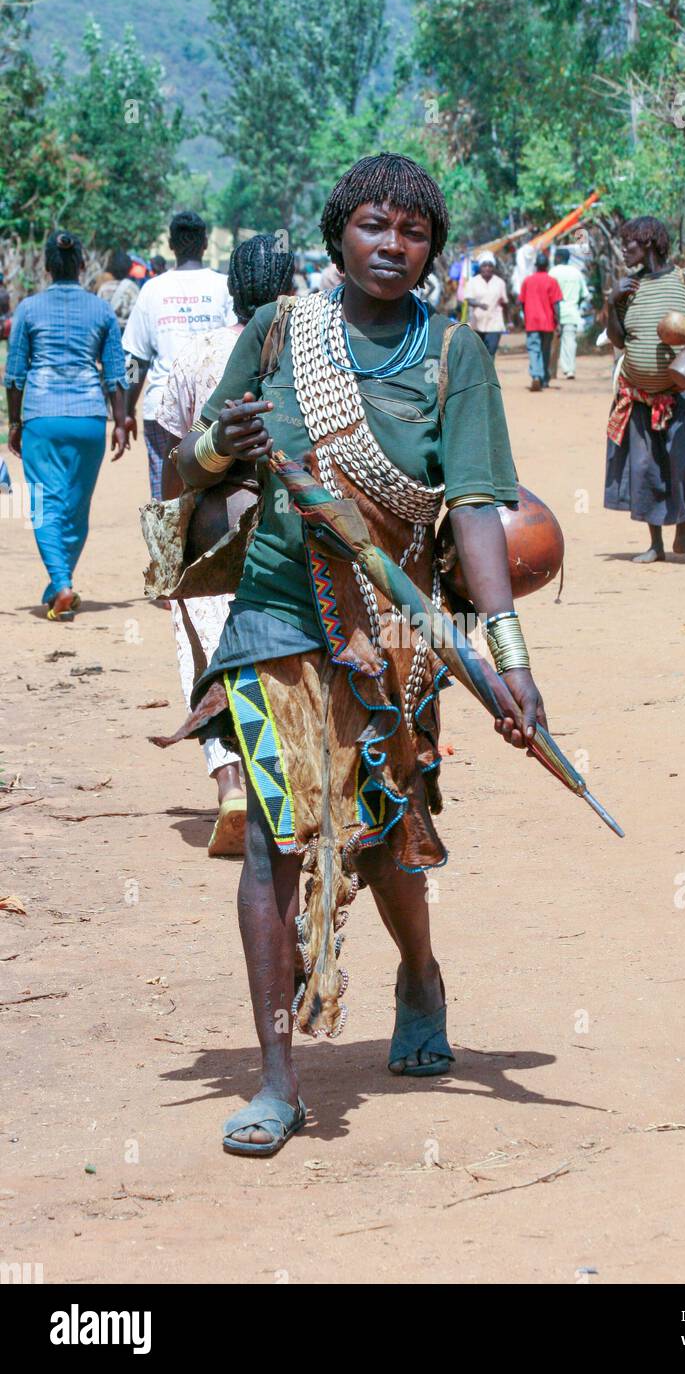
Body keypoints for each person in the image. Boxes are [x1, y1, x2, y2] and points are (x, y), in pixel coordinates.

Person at [164, 153, 547, 1156]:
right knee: (270, 838)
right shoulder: (280, 331)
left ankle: (417, 971)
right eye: (373, 225)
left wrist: (509, 657)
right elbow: (182, 467)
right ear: (338, 231)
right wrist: (220, 446)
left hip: (389, 633)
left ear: (432, 247)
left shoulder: (453, 354)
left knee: (385, 831)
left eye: (413, 231)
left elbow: (471, 506)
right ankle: (277, 1079)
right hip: (276, 612)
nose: (392, 245)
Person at [156, 234, 294, 858]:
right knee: (285, 644)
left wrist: (170, 534)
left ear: (231, 288)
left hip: (214, 519)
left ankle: (232, 784)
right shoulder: (312, 351)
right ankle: (288, 781)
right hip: (294, 520)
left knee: (209, 642)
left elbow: (174, 454)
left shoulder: (195, 352)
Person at [3, 231, 128, 619]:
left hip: (42, 414)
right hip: (89, 417)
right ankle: (60, 584)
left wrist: (14, 421)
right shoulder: (101, 310)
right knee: (75, 507)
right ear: (81, 265)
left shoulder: (28, 309)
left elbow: (15, 374)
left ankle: (60, 584)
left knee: (44, 504)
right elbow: (115, 372)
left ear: (45, 266)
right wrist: (121, 421)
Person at [604, 215, 685, 563]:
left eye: (630, 243)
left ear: (649, 242)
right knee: (647, 469)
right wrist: (612, 303)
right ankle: (655, 544)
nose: (624, 249)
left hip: (680, 394)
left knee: (681, 464)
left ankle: (684, 540)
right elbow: (617, 339)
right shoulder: (627, 287)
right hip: (639, 397)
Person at [122, 211, 234, 501]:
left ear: (171, 245)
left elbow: (136, 360)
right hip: (213, 408)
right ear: (205, 244)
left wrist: (126, 410)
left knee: (166, 496)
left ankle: (168, 544)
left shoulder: (152, 289)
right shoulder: (224, 286)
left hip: (161, 409)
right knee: (213, 493)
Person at [519, 250, 561, 390]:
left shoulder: (527, 281)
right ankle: (544, 379)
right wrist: (559, 322)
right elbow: (556, 304)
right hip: (548, 322)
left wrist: (526, 317)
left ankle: (536, 375)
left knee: (533, 349)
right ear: (547, 266)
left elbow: (522, 302)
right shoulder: (552, 281)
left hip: (532, 321)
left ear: (536, 266)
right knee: (545, 350)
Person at [550, 248, 590, 379]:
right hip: (572, 312)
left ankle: (551, 371)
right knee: (570, 342)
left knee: (553, 344)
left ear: (559, 258)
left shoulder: (553, 272)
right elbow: (585, 295)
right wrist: (576, 304)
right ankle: (569, 370)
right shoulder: (576, 273)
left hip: (555, 314)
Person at [462, 251, 508, 357]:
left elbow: (505, 303)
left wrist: (508, 321)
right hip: (477, 324)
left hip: (495, 323)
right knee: (479, 353)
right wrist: (478, 304)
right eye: (484, 265)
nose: (487, 268)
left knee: (491, 352)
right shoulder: (473, 282)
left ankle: (489, 373)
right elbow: (468, 299)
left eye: (490, 266)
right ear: (480, 267)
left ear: (493, 267)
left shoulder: (500, 283)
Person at [96, 250, 139, 330]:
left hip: (107, 335)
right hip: (125, 335)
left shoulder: (104, 288)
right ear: (129, 269)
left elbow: (98, 315)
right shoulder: (132, 288)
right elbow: (136, 317)